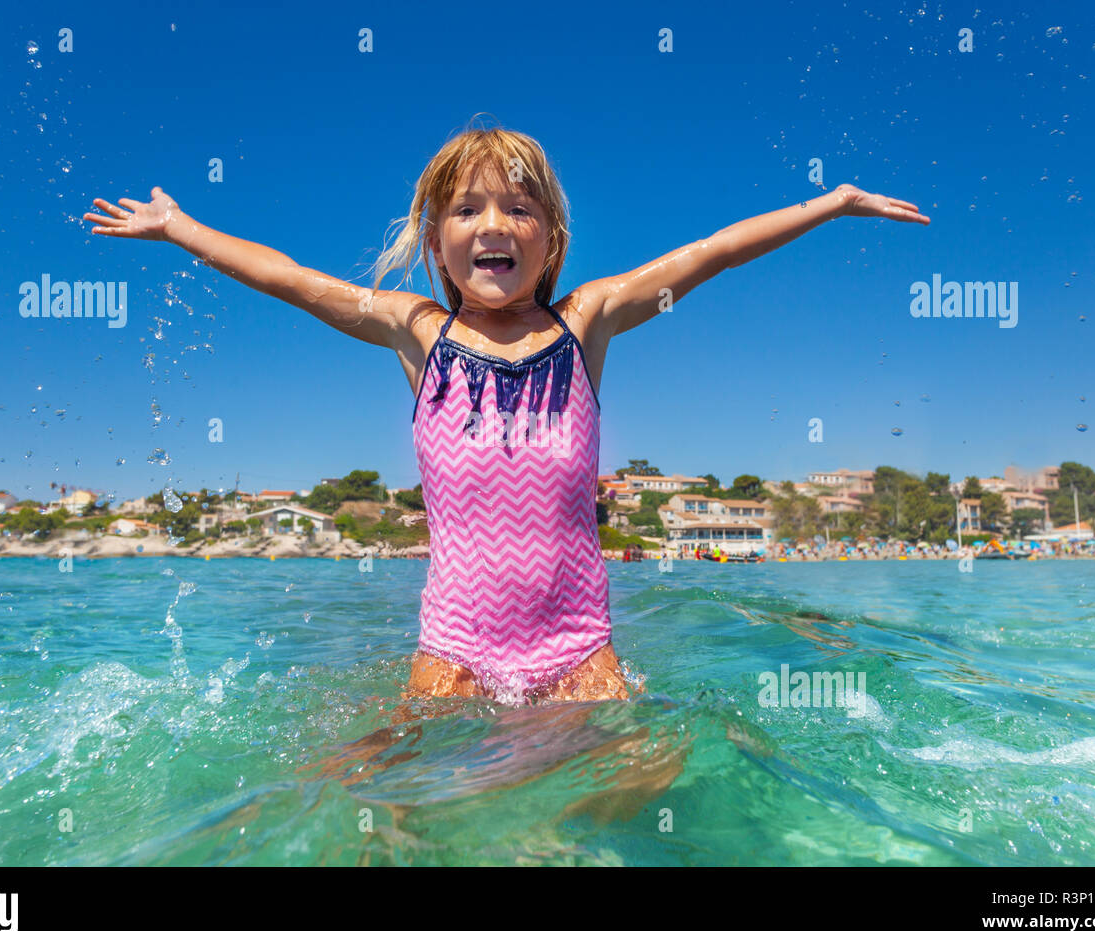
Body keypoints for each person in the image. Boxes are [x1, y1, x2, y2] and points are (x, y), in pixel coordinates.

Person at [85, 118, 928, 705]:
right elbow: (292, 279)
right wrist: (181, 227)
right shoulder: (418, 332)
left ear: (551, 241)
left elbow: (709, 254)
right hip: (451, 653)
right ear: (437, 243)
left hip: (577, 653)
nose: (495, 224)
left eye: (519, 207)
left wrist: (830, 203)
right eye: (468, 209)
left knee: (645, 779)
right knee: (377, 799)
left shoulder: (584, 324)